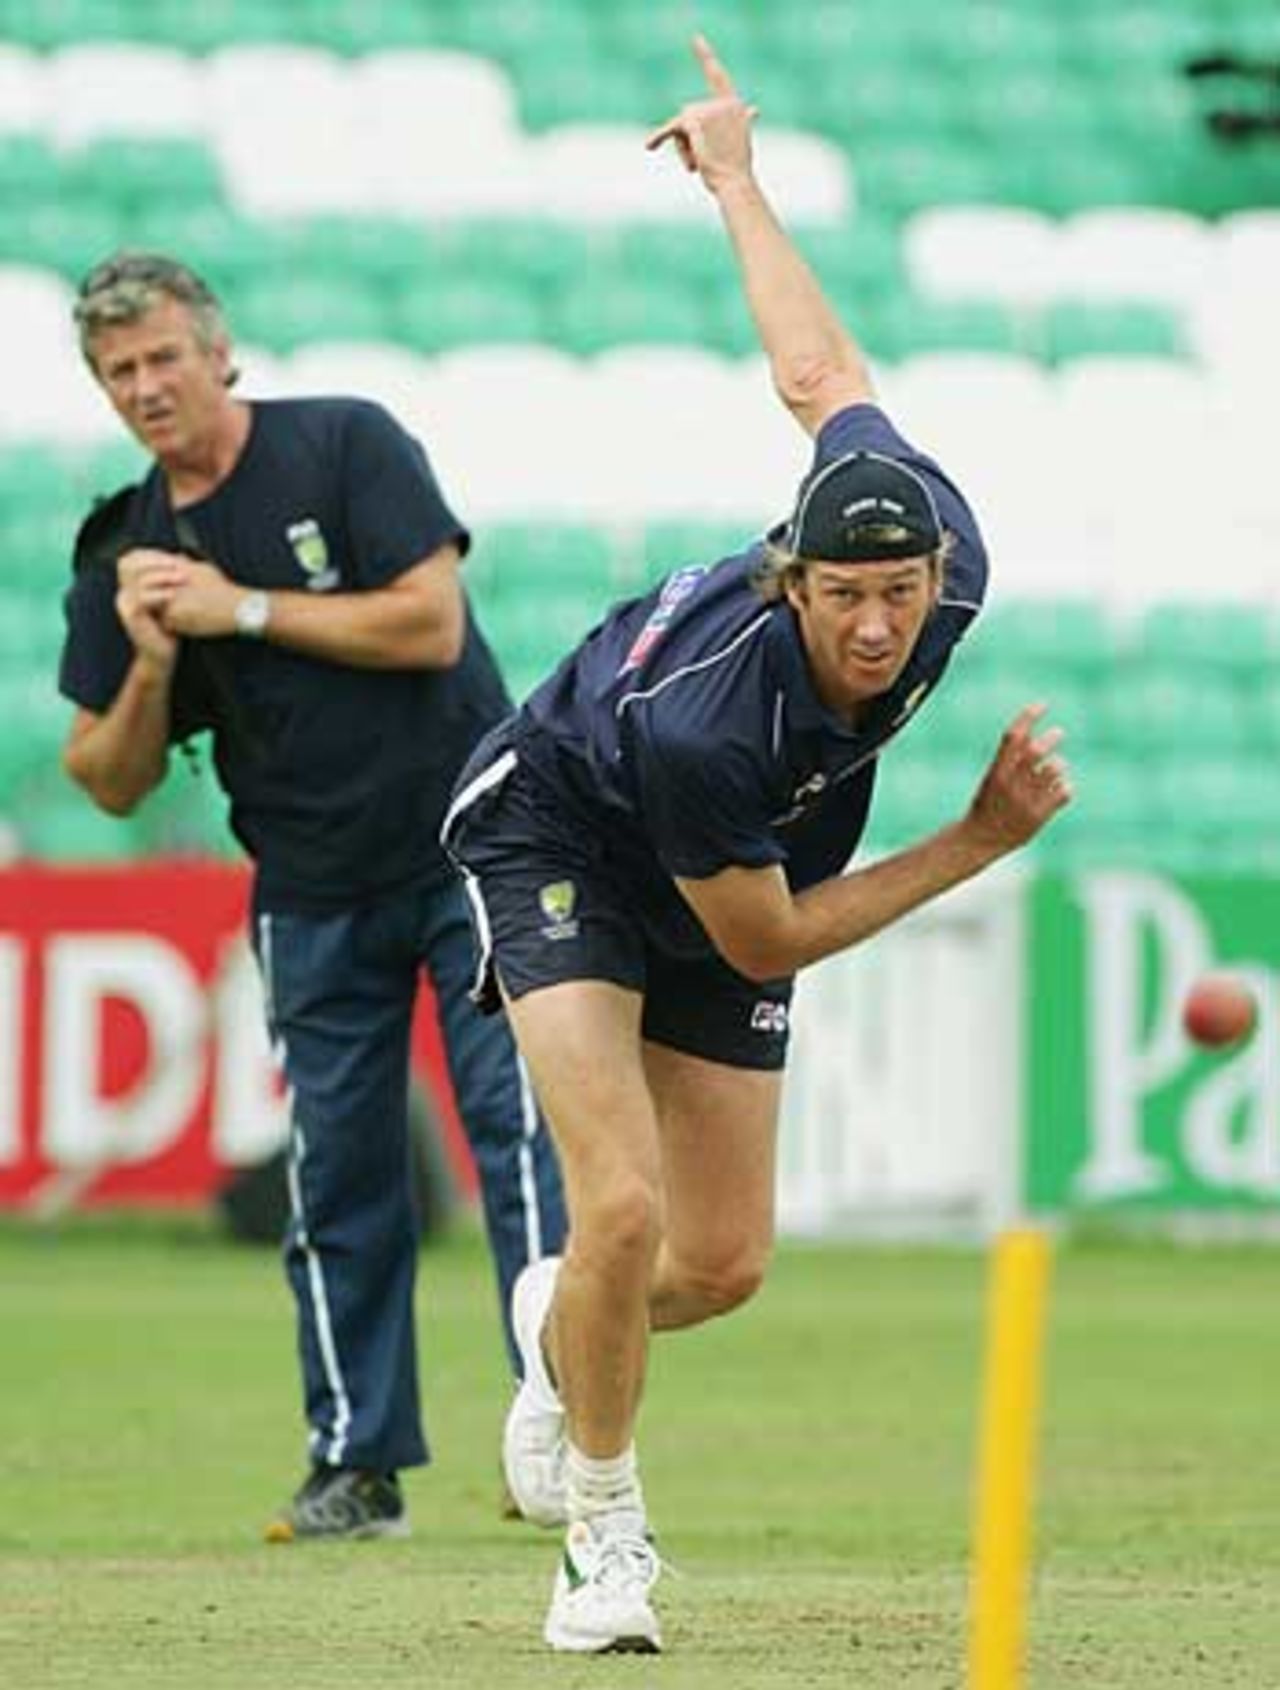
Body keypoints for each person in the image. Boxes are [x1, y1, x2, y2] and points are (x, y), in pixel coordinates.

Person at [442, 37, 1073, 1656]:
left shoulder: (937, 538)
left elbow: (818, 373)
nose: (879, 628)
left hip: (725, 846)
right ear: (790, 581)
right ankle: (602, 1544)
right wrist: (978, 837)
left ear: (938, 565)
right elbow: (766, 942)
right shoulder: (714, 721)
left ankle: (553, 1322)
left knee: (717, 1265)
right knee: (628, 1209)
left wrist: (735, 176)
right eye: (844, 597)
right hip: (565, 819)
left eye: (901, 595)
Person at [58, 251, 567, 1541]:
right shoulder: (123, 546)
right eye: (119, 371)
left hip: (472, 843)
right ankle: (356, 1464)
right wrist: (156, 662)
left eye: (164, 356)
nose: (146, 386)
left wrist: (242, 608)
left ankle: (559, 1426)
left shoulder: (344, 444)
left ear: (218, 353)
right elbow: (107, 778)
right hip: (308, 882)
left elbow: (431, 624)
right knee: (337, 1170)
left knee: (514, 1135)